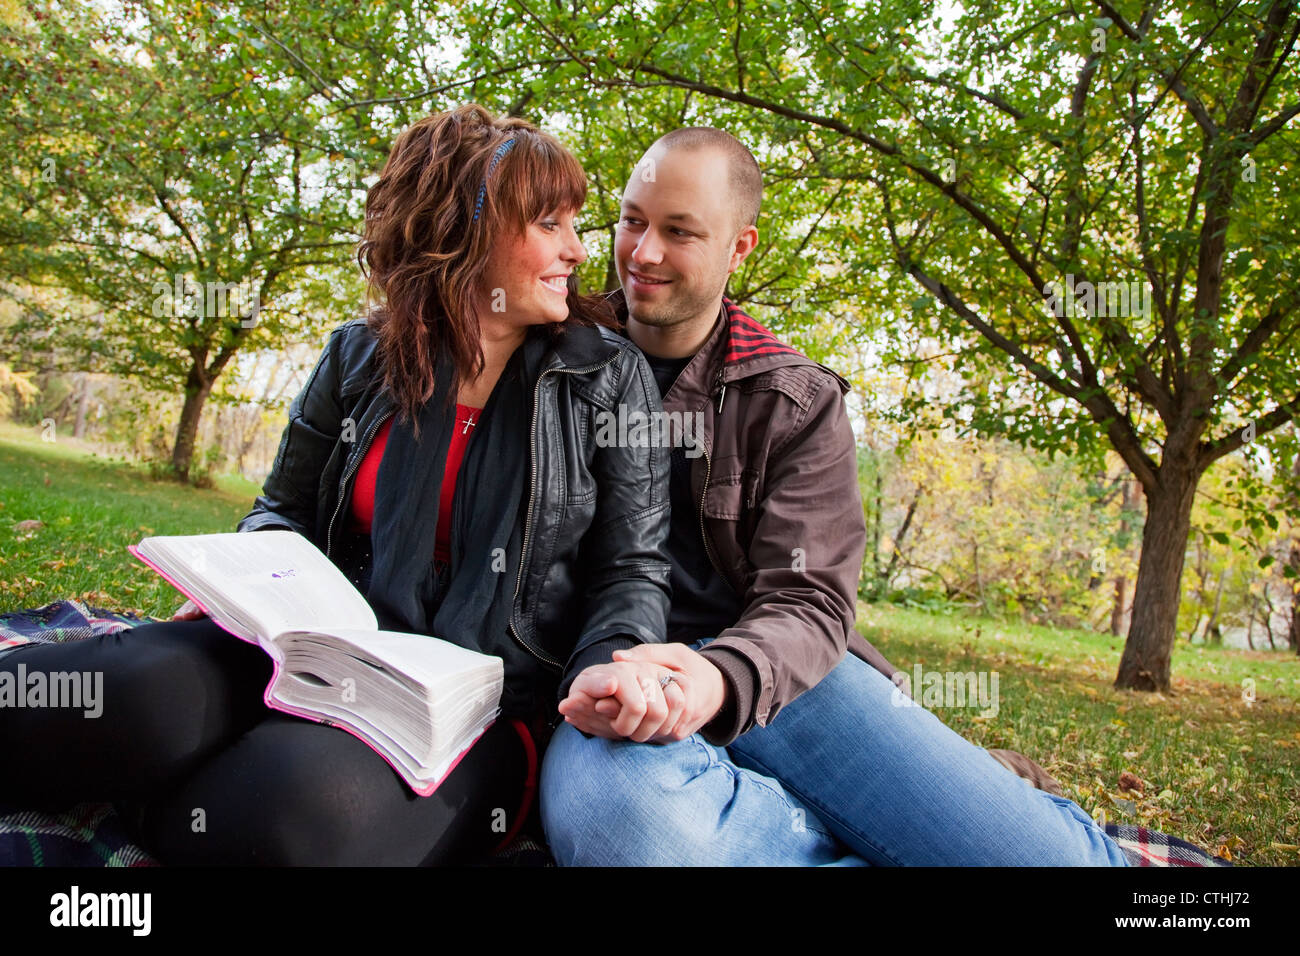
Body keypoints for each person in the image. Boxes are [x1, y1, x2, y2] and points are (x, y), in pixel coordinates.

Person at [0, 104, 671, 865]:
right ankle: (152, 764)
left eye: (576, 224)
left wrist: (616, 665)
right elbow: (279, 512)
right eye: (549, 223)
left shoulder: (607, 378)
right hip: (313, 651)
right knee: (122, 698)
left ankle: (168, 798)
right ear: (462, 228)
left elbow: (632, 569)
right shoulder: (358, 358)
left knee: (284, 815)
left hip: (480, 706)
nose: (578, 251)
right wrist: (244, 583)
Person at [539, 128, 1130, 866]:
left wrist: (720, 677)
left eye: (679, 231)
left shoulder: (796, 399)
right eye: (632, 220)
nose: (644, 252)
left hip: (772, 678)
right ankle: (819, 828)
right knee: (625, 826)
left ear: (739, 248)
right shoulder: (552, 355)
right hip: (614, 687)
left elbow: (810, 600)